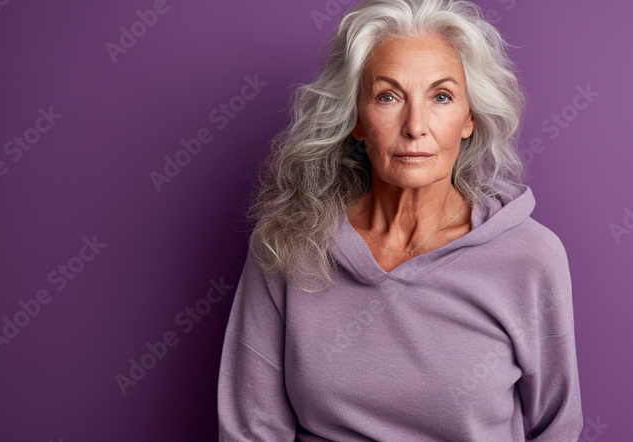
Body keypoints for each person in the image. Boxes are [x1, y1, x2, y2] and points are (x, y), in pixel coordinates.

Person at [217, 0, 583, 440]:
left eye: (441, 97)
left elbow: (558, 428)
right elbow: (250, 429)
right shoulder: (288, 242)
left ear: (469, 118)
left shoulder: (529, 258)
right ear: (356, 118)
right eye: (388, 96)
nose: (415, 125)